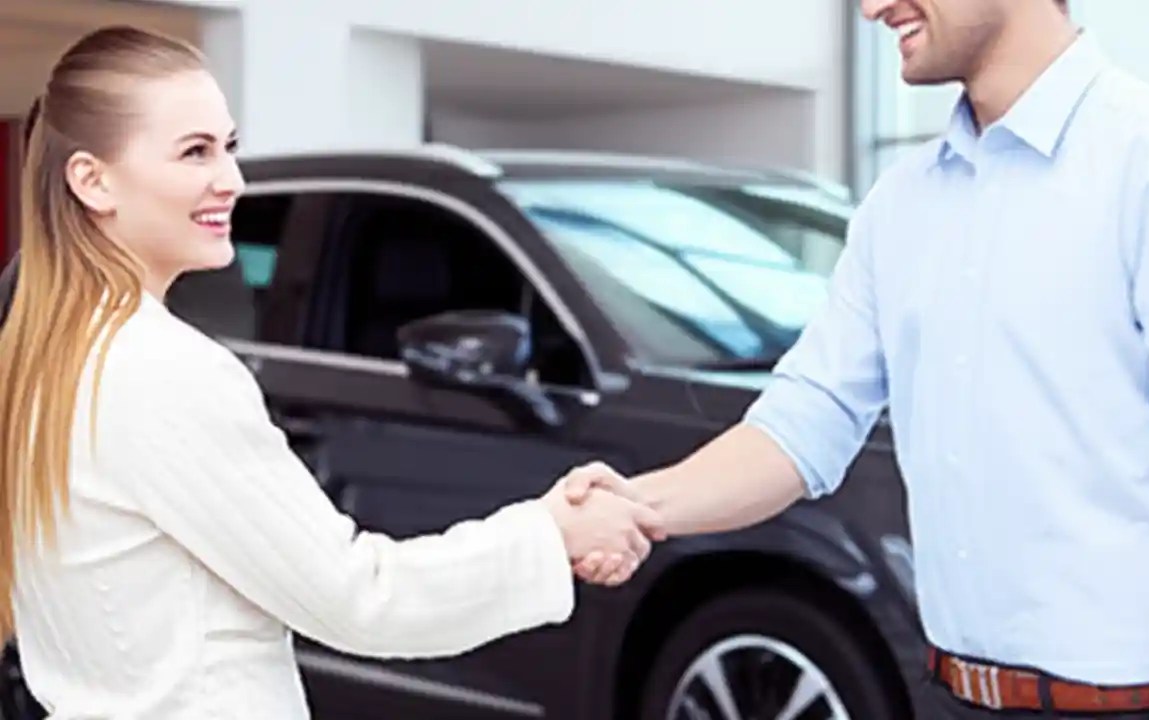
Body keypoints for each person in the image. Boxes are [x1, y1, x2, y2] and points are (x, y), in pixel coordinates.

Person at [565, 1, 1149, 718]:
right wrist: (635, 506)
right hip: (949, 694)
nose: (874, 7)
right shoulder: (901, 203)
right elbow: (805, 417)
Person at [0, 25, 663, 719]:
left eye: (229, 147)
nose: (231, 179)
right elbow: (359, 599)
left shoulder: (41, 359)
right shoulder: (161, 370)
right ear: (91, 180)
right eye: (194, 152)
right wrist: (550, 535)